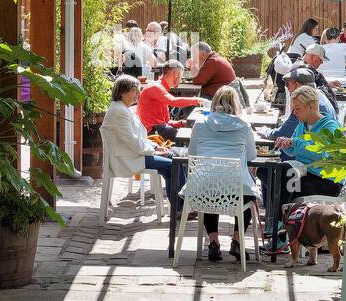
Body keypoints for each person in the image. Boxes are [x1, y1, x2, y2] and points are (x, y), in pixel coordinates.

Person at [183, 86, 260, 261]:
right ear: (236, 105)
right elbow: (251, 156)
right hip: (235, 190)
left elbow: (192, 152)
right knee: (249, 194)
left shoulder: (200, 123)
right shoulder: (244, 126)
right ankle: (237, 241)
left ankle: (213, 242)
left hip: (203, 189)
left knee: (211, 189)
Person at [101, 75, 185, 220]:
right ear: (123, 92)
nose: (138, 94)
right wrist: (154, 149)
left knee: (174, 157)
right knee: (174, 166)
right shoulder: (119, 112)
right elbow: (131, 141)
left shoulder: (123, 108)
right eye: (135, 90)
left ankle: (180, 207)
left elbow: (138, 137)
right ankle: (180, 209)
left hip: (132, 154)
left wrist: (156, 146)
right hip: (127, 158)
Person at [273, 85, 344, 202]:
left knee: (284, 177)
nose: (294, 113)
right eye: (293, 109)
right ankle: (277, 215)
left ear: (311, 107)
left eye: (298, 108)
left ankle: (280, 216)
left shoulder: (330, 126)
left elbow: (322, 155)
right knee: (270, 174)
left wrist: (295, 142)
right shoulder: (303, 123)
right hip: (307, 174)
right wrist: (286, 144)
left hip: (327, 181)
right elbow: (295, 150)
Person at [136, 60, 202, 140]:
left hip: (157, 129)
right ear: (175, 75)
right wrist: (197, 100)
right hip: (152, 133)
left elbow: (166, 122)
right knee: (192, 137)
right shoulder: (155, 87)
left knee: (192, 134)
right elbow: (173, 101)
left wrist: (181, 123)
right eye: (181, 76)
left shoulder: (160, 87)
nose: (181, 80)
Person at [298, 45, 341, 112]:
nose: (322, 62)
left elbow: (315, 86)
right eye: (320, 59)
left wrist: (328, 85)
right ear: (312, 57)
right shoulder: (306, 71)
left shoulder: (301, 67)